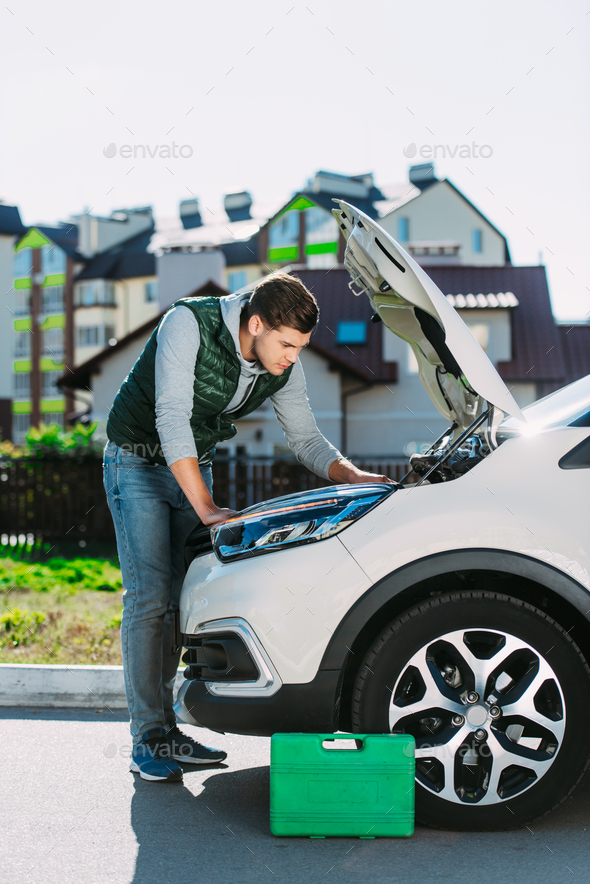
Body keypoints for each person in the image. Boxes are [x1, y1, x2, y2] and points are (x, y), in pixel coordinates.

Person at [103, 272, 393, 783]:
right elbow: (171, 419)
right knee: (150, 598)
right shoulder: (187, 324)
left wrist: (356, 476)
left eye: (300, 347)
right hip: (137, 462)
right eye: (285, 344)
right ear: (254, 323)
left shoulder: (282, 364)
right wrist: (209, 509)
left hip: (194, 466)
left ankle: (168, 732)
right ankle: (148, 737)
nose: (292, 357)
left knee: (182, 597)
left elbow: (306, 440)